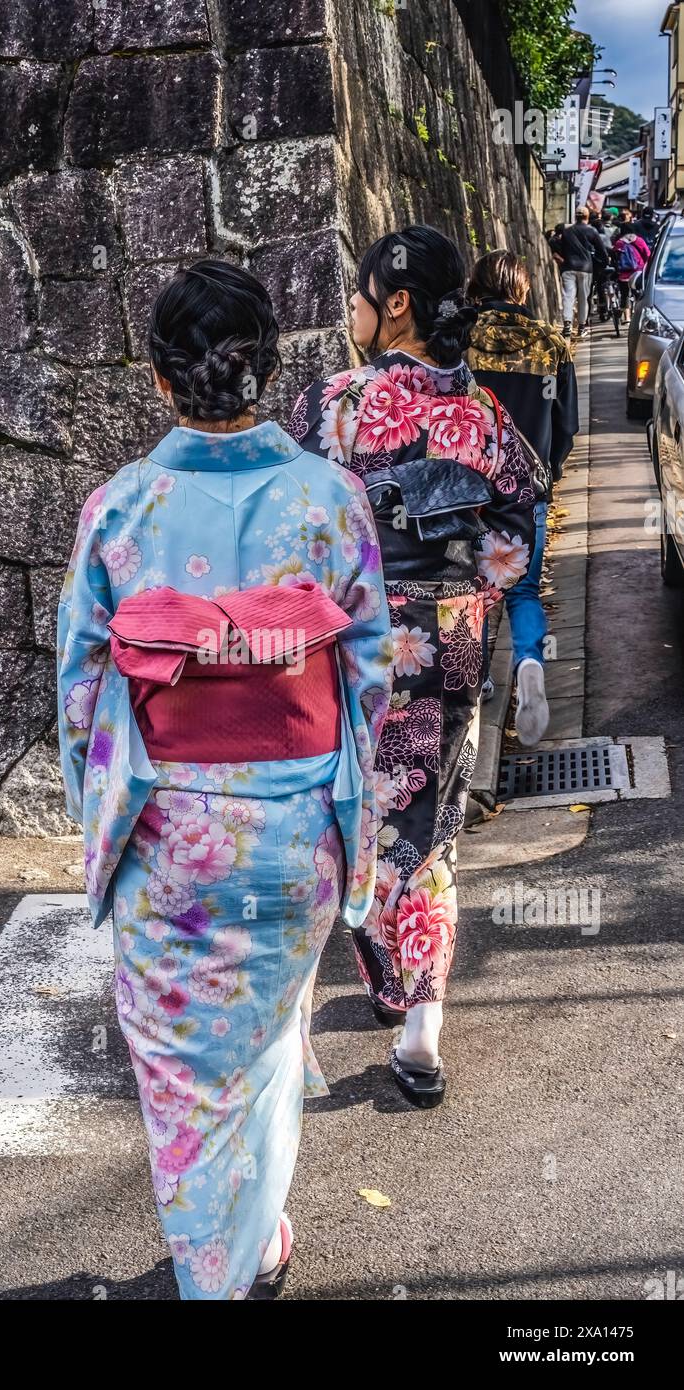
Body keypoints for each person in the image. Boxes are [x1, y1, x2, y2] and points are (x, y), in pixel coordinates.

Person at [58, 260, 392, 1300]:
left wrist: (101, 812)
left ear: (159, 380)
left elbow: (80, 694)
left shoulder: (119, 510)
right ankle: (245, 1251)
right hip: (294, 832)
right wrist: (344, 804)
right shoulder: (330, 501)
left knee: (182, 1073)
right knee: (264, 1034)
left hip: (170, 835)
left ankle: (220, 1267)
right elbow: (369, 675)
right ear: (265, 368)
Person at [289, 227, 537, 1108]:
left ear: (394, 302)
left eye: (359, 293)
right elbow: (516, 534)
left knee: (343, 806)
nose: (352, 310)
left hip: (352, 634)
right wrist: (478, 593)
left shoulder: (336, 404)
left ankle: (324, 1005)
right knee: (429, 820)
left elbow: (300, 528)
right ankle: (420, 1029)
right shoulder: (485, 414)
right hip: (454, 631)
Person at [466, 250, 579, 746]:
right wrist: (548, 470)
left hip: (470, 488)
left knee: (474, 592)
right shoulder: (551, 345)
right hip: (527, 488)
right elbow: (567, 424)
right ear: (522, 289)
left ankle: (479, 681)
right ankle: (530, 660)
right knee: (523, 591)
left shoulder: (462, 341)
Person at [550, 207, 608, 338]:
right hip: (585, 268)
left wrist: (563, 260)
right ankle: (581, 328)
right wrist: (602, 264)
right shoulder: (592, 231)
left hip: (568, 267)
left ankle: (567, 326)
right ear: (587, 217)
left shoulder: (566, 231)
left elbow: (560, 248)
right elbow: (602, 251)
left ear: (575, 217)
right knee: (583, 298)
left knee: (568, 297)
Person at [613, 225, 650, 324]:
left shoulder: (619, 243)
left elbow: (615, 258)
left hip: (624, 274)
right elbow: (647, 255)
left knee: (624, 294)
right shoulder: (639, 240)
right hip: (638, 273)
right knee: (639, 294)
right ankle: (639, 315)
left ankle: (627, 317)